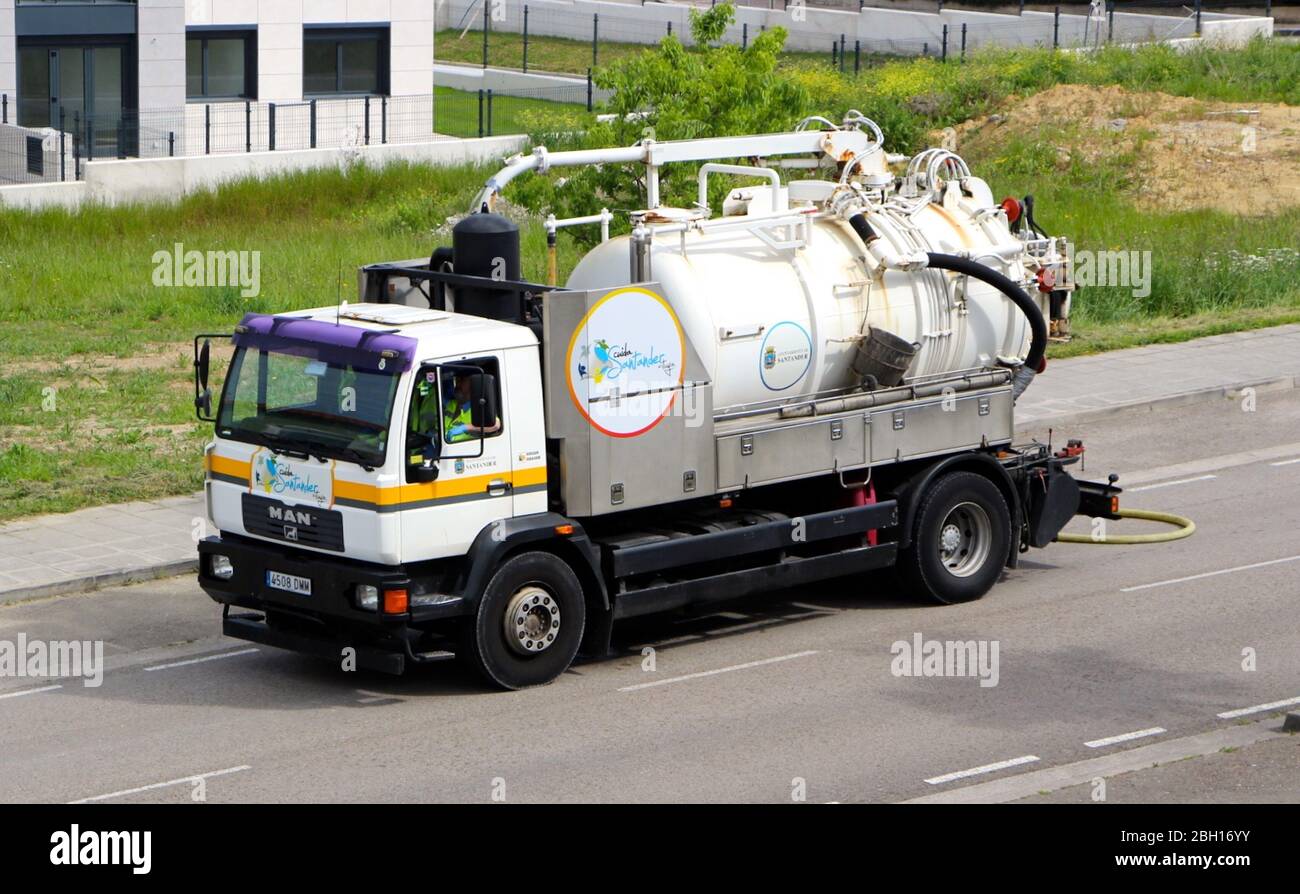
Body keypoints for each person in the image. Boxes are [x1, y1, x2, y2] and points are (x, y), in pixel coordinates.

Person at [443, 371, 500, 443]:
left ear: (474, 383)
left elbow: (495, 425)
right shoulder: (450, 403)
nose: (458, 383)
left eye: (462, 379)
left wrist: (466, 427)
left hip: (466, 451)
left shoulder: (479, 407)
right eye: (456, 379)